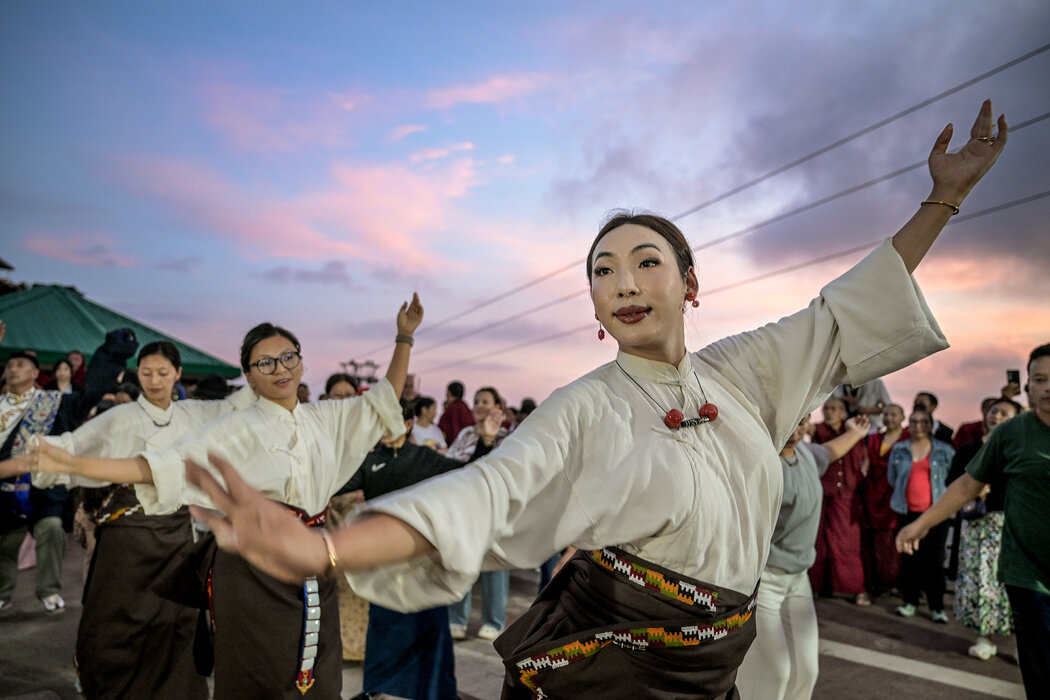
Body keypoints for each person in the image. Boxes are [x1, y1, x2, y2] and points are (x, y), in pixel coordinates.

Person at [158, 102, 1000, 698]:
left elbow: (843, 312)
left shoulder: (747, 371)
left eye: (645, 262)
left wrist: (945, 198)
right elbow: (486, 494)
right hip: (612, 662)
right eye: (603, 271)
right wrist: (328, 551)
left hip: (714, 665)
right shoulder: (585, 407)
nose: (624, 283)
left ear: (691, 284)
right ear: (595, 309)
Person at [8, 296, 422, 700]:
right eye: (265, 363)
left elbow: (383, 399)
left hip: (313, 560)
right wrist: (78, 464)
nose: (280, 368)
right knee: (259, 672)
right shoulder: (235, 428)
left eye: (288, 357)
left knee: (321, 675)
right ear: (250, 377)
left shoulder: (327, 418)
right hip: (252, 566)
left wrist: (404, 337)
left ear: (301, 363)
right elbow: (164, 466)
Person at [33, 341, 256, 699]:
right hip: (126, 538)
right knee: (114, 626)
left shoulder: (193, 414)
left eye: (163, 373)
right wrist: (37, 454)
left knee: (175, 627)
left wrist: (259, 366)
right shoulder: (119, 417)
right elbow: (72, 447)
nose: (154, 381)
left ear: (177, 374)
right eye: (147, 373)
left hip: (177, 538)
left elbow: (234, 406)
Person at [899, 343, 1049, 698]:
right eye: (1040, 379)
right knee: (1042, 674)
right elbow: (969, 484)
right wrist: (922, 523)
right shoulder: (1011, 433)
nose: (1048, 388)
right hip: (1027, 573)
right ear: (1027, 385)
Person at [341, 403, 489, 700]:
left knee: (429, 628)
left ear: (408, 424)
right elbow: (332, 485)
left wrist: (485, 442)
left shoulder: (424, 458)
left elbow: (468, 474)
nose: (384, 428)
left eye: (391, 420)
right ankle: (377, 691)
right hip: (383, 563)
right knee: (384, 628)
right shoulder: (370, 462)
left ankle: (436, 692)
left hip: (424, 563)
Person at [1, 325, 135, 615]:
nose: (13, 369)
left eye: (21, 364)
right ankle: (2, 593)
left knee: (51, 530)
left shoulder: (54, 403)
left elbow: (91, 393)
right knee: (6, 544)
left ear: (36, 373)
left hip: (43, 489)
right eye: (10, 365)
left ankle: (49, 591)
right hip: (4, 489)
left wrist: (112, 352)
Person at [737, 414, 869, 700]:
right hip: (765, 581)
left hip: (799, 579)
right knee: (775, 672)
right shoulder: (762, 463)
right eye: (792, 419)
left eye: (803, 421)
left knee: (806, 670)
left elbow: (832, 450)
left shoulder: (808, 454)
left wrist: (855, 432)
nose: (796, 429)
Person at [949, 397, 1021, 660]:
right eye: (994, 411)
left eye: (1004, 413)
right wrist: (973, 492)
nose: (997, 417)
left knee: (1015, 584)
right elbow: (952, 482)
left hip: (1012, 524)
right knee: (979, 580)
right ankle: (984, 636)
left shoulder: (1019, 449)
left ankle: (1023, 643)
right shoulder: (968, 449)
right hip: (976, 524)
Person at [446, 386, 510, 641]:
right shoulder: (466, 433)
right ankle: (456, 620)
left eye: (485, 401)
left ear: (497, 407)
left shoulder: (507, 437)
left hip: (495, 507)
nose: (480, 405)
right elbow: (451, 462)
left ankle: (494, 621)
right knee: (461, 561)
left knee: (495, 564)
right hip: (465, 505)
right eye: (477, 401)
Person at [887, 408, 955, 621]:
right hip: (907, 512)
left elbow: (953, 478)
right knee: (910, 560)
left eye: (923, 421)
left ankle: (937, 608)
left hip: (936, 514)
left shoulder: (944, 450)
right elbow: (892, 478)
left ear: (930, 425)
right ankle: (910, 602)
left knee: (935, 561)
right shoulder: (899, 449)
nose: (918, 426)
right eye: (914, 421)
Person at [810, 396, 870, 605]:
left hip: (846, 495)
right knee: (818, 542)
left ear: (844, 413)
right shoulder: (817, 430)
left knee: (847, 543)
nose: (829, 412)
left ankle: (855, 589)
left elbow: (864, 457)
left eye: (834, 409)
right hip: (822, 492)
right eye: (826, 408)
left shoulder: (854, 431)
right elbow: (803, 428)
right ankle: (817, 586)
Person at [861, 403, 906, 598]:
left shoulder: (908, 438)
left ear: (903, 417)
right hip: (875, 491)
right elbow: (867, 463)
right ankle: (877, 581)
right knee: (875, 541)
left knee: (894, 540)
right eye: (886, 414)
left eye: (894, 415)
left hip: (897, 494)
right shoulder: (873, 438)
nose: (889, 418)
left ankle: (896, 582)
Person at [437, 380, 473, 445]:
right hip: (467, 445)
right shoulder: (466, 408)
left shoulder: (451, 408)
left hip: (454, 446)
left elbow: (442, 430)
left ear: (449, 393)